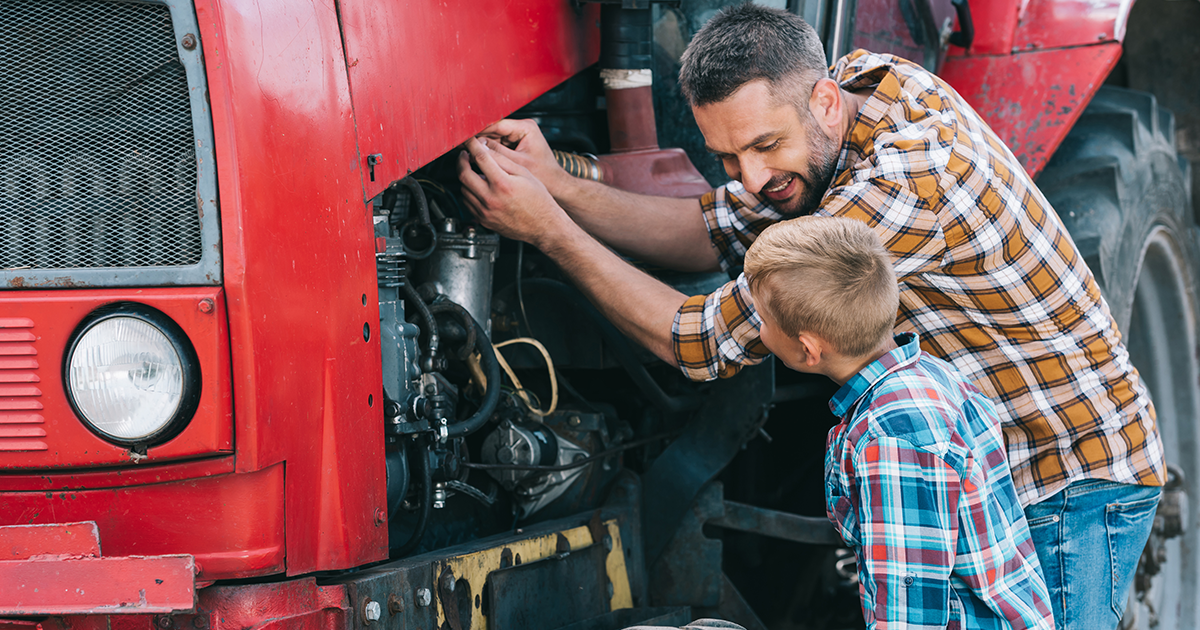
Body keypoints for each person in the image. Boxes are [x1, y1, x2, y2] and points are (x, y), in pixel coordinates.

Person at [456, 4, 1163, 628]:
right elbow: (715, 225)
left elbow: (701, 341)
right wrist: (558, 183)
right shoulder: (854, 93)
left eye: (765, 148)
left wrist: (547, 229)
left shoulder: (902, 185)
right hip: (983, 464)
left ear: (824, 102)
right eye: (729, 156)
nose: (753, 178)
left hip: (1065, 474)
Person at [743, 215, 1054, 629]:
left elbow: (911, 602)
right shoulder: (929, 374)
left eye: (763, 320)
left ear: (808, 348)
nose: (759, 329)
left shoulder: (892, 434)